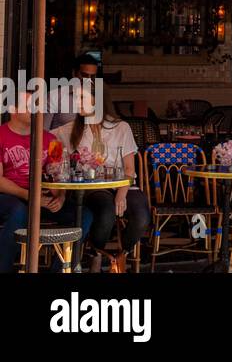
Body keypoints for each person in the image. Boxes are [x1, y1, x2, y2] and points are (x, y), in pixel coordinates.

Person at [53, 86, 149, 272]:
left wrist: (121, 195)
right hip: (93, 187)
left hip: (123, 185)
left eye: (83, 98)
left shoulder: (121, 127)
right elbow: (45, 137)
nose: (77, 102)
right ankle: (96, 254)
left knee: (142, 217)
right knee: (106, 211)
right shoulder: (71, 129)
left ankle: (122, 254)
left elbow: (130, 169)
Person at [0, 92, 76, 272]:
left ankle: (57, 270)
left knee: (84, 215)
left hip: (42, 198)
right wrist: (29, 196)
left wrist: (61, 197)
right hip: (9, 196)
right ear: (13, 109)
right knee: (20, 211)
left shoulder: (52, 140)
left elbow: (60, 174)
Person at [48, 53, 101, 130]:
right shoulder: (54, 96)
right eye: (84, 75)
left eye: (92, 76)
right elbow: (42, 133)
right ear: (74, 73)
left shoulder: (99, 98)